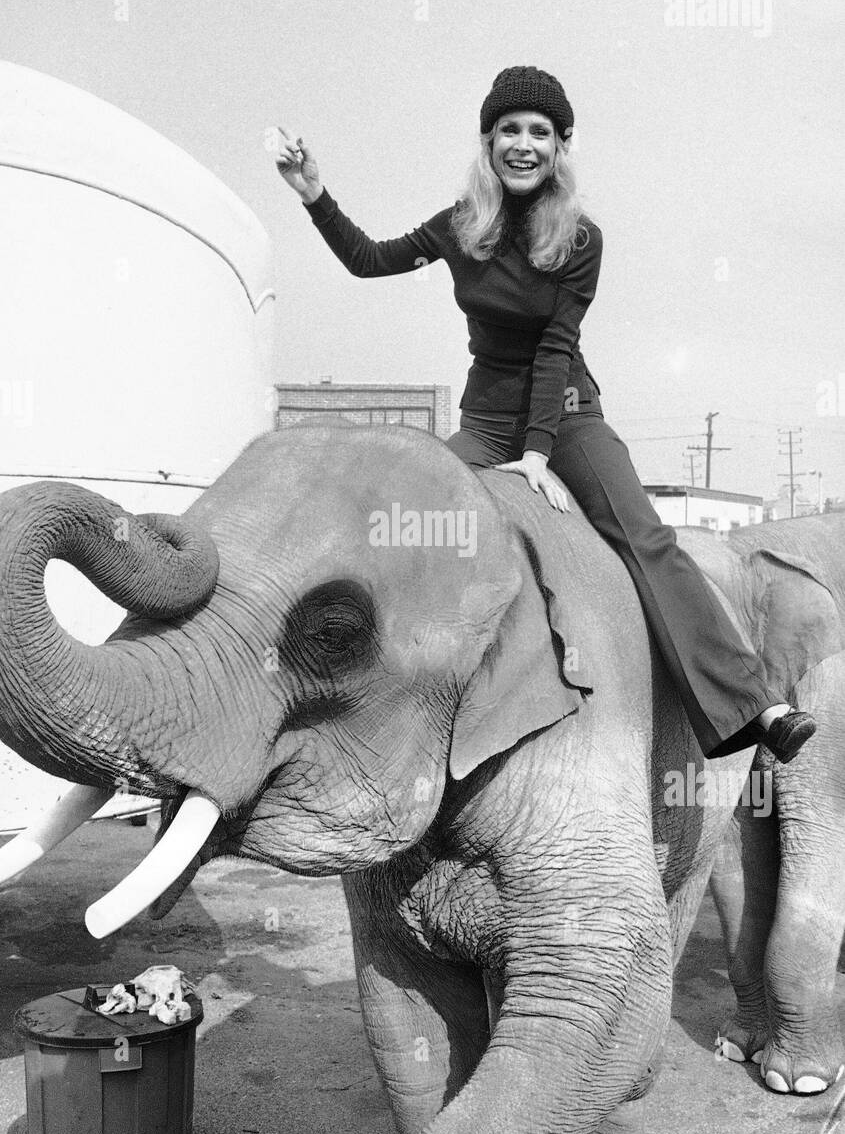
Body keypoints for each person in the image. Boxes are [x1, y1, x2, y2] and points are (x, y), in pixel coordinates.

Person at [272, 65, 816, 764]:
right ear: (487, 141)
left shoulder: (579, 239)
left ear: (560, 146)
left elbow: (555, 347)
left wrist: (535, 453)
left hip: (566, 415)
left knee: (643, 537)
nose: (521, 144)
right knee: (398, 521)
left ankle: (753, 703)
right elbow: (369, 260)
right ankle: (349, 711)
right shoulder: (457, 226)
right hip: (486, 418)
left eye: (538, 132)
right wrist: (315, 195)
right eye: (508, 130)